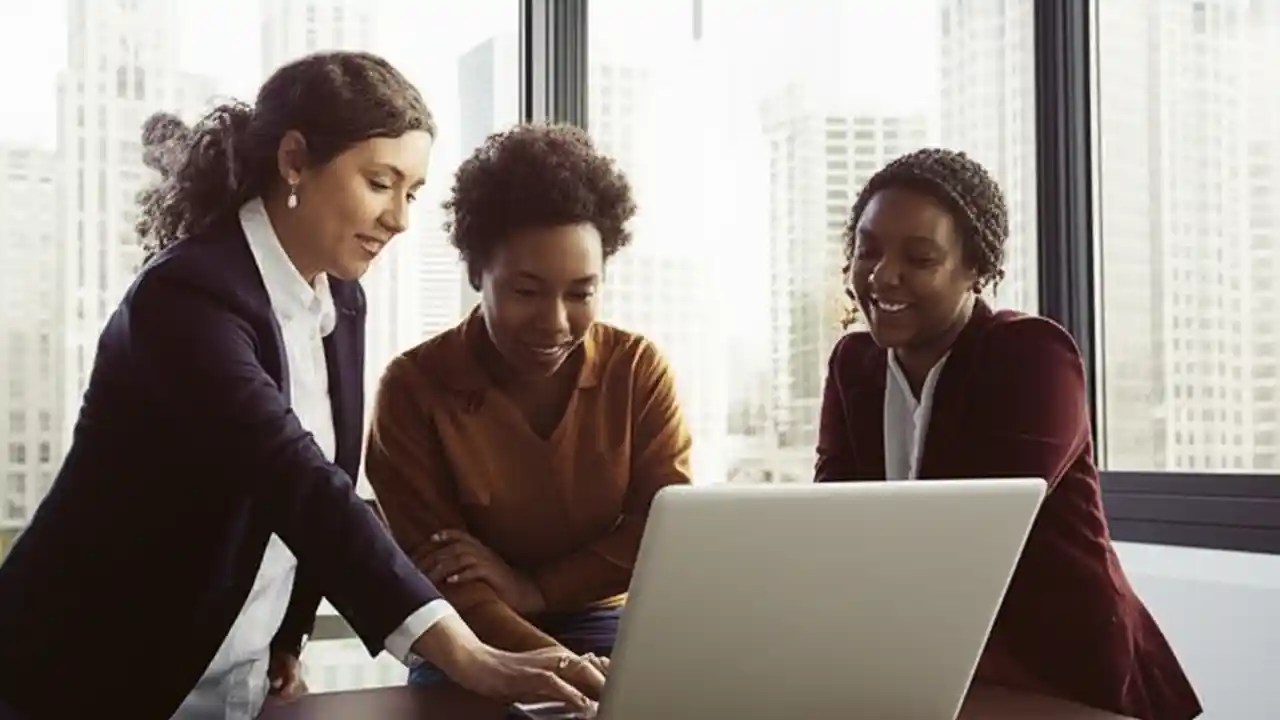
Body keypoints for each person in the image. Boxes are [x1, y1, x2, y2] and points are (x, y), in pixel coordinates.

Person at [0, 52, 600, 720]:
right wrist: (468, 654)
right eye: (380, 182)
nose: (400, 218)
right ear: (294, 162)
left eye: (413, 192)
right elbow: (292, 474)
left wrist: (288, 634)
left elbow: (323, 487)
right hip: (83, 679)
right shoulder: (186, 298)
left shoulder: (339, 301)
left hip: (234, 686)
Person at [815, 148, 1202, 720]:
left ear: (975, 268)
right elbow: (831, 520)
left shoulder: (1030, 355)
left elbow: (971, 539)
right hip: (935, 670)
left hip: (1058, 674)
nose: (882, 274)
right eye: (867, 249)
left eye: (919, 258)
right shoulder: (854, 363)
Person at [364, 123, 693, 693]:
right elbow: (447, 581)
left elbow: (660, 533)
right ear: (476, 276)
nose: (555, 322)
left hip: (608, 622)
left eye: (580, 293)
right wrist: (566, 668)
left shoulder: (637, 369)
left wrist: (536, 589)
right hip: (470, 635)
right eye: (526, 292)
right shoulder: (413, 388)